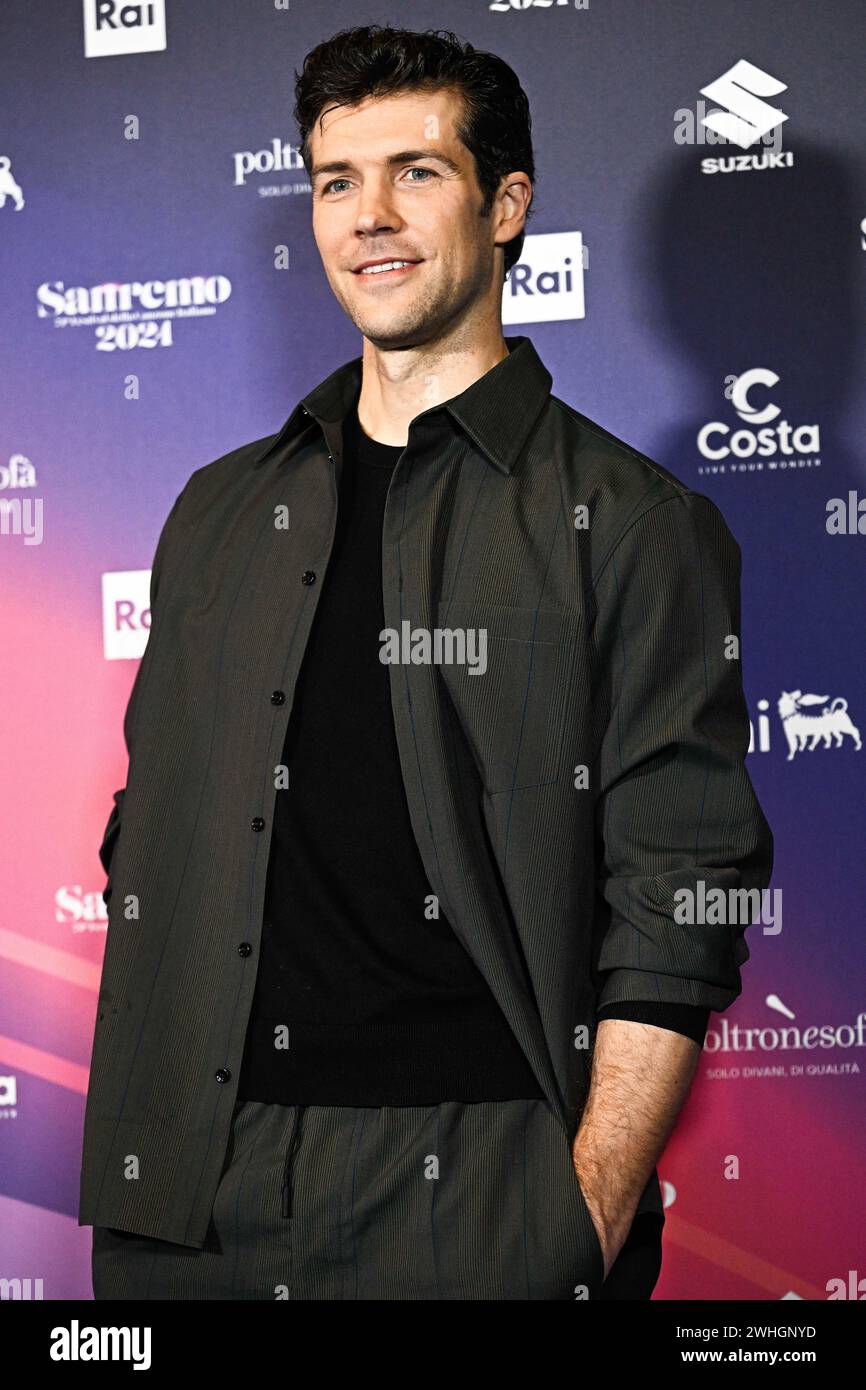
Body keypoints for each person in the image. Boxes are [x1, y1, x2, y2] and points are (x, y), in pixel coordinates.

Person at [81, 24, 773, 1301]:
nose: (368, 217)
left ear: (506, 205)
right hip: (193, 1198)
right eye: (336, 180)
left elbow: (681, 895)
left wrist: (586, 1205)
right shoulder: (220, 512)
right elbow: (156, 825)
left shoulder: (628, 523)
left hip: (482, 1186)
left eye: (416, 170)